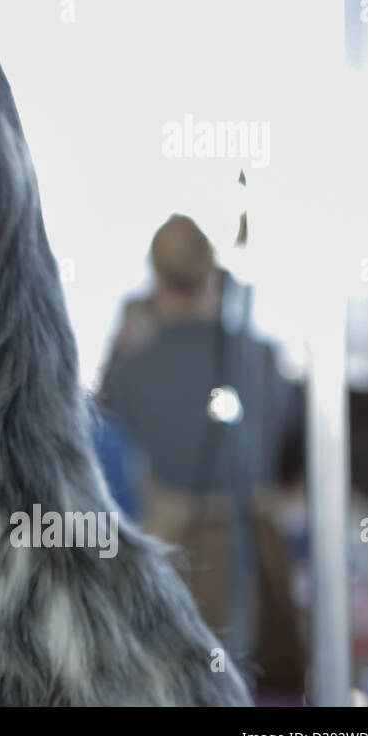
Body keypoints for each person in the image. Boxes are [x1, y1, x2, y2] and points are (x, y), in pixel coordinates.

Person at [99, 215, 306, 696]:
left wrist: (129, 331)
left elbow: (108, 402)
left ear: (157, 277)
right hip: (264, 573)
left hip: (178, 570)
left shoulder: (134, 366)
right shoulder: (265, 357)